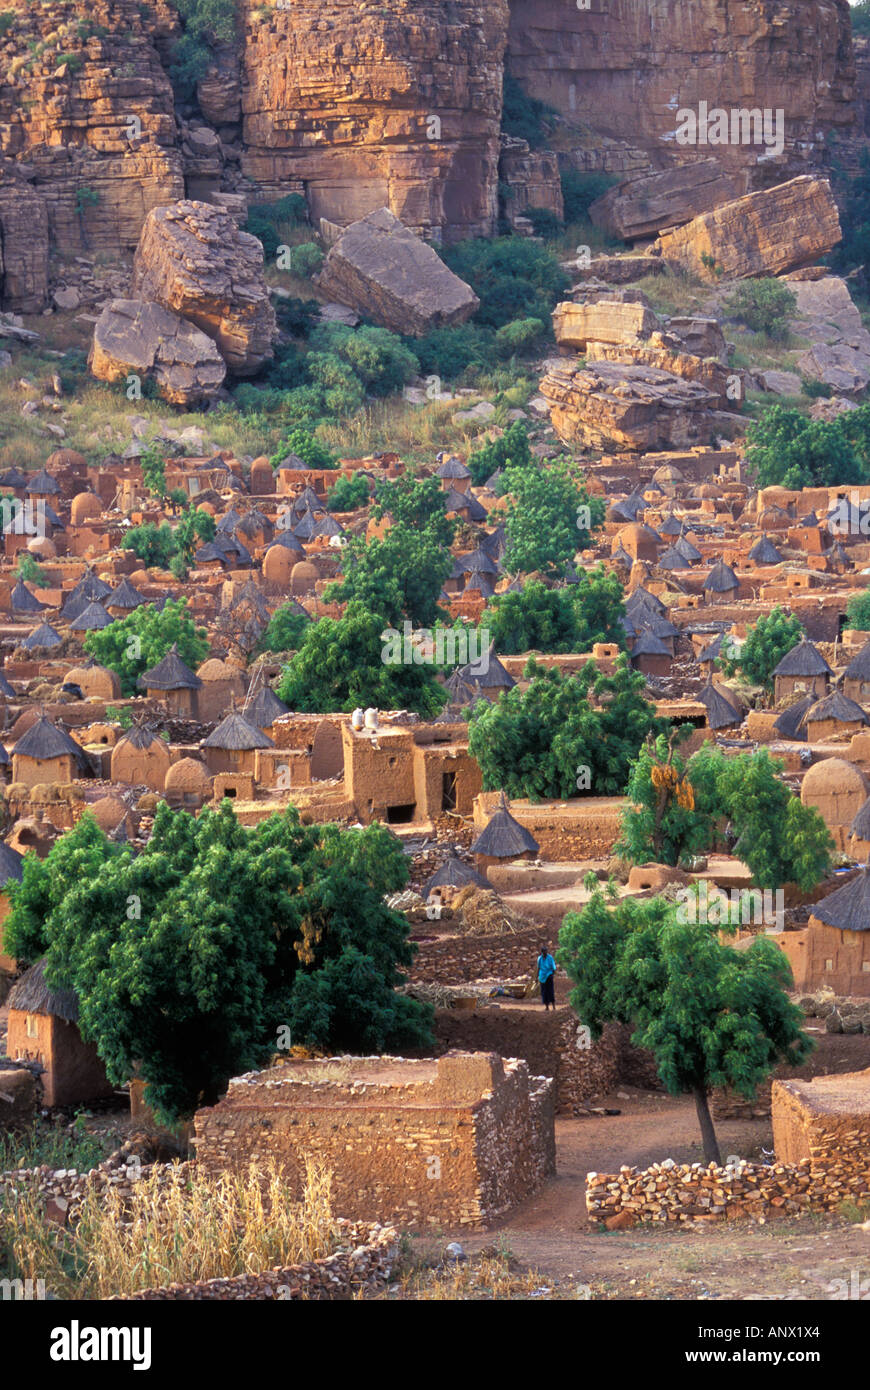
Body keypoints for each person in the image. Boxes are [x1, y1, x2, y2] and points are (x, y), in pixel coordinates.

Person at [537, 943, 556, 1011]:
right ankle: (547, 1006)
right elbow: (538, 968)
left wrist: (553, 973)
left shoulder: (550, 958)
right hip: (542, 977)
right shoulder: (539, 959)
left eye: (546, 951)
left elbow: (553, 966)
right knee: (544, 991)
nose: (545, 953)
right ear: (542, 952)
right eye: (544, 952)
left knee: (550, 991)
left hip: (549, 975)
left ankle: (553, 1006)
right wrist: (537, 976)